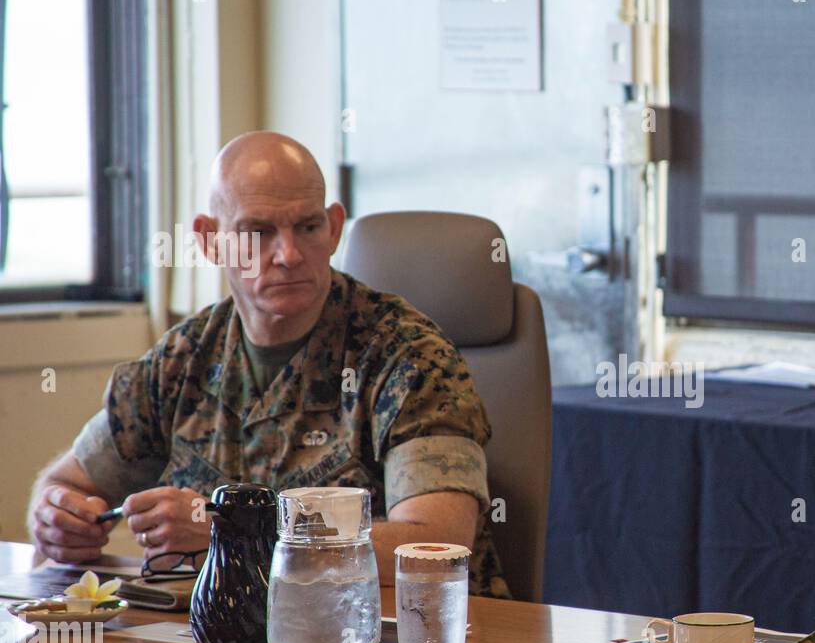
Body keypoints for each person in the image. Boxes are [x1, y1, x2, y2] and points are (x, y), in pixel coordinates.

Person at [27, 131, 507, 596]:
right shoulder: (181, 361)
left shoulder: (406, 356)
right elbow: (67, 482)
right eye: (258, 232)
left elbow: (435, 545)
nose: (289, 254)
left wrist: (234, 532)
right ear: (211, 240)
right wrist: (59, 519)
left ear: (335, 227)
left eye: (308, 226)